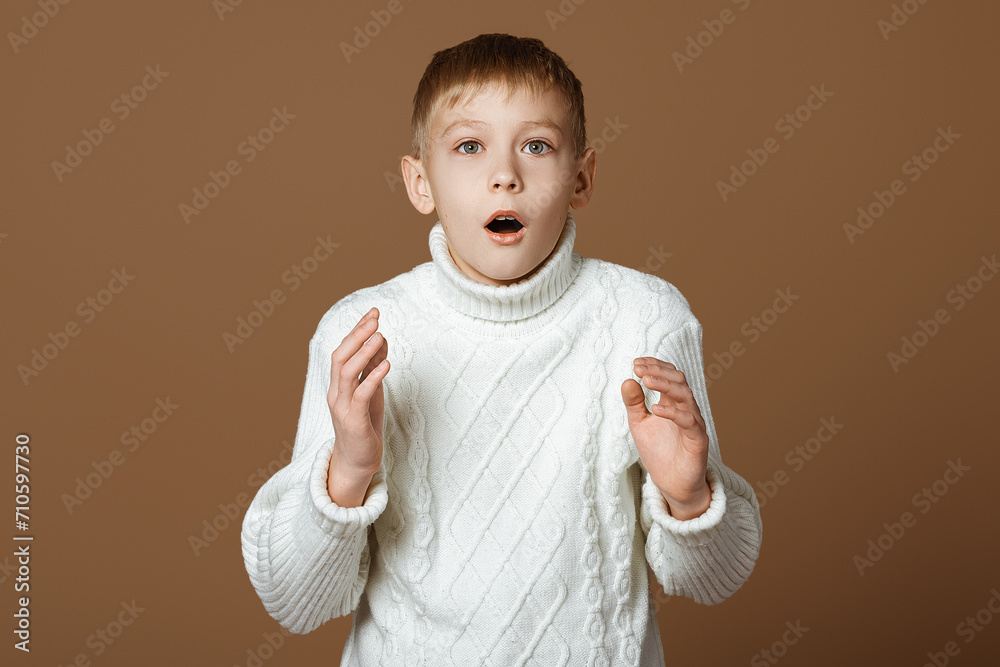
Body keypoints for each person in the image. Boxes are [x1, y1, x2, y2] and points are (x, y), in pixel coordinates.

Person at [241, 32, 762, 666]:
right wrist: (347, 472)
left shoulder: (645, 319)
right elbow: (294, 600)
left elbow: (716, 579)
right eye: (468, 146)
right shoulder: (365, 332)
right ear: (419, 181)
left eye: (536, 146)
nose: (504, 176)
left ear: (582, 177)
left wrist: (690, 497)